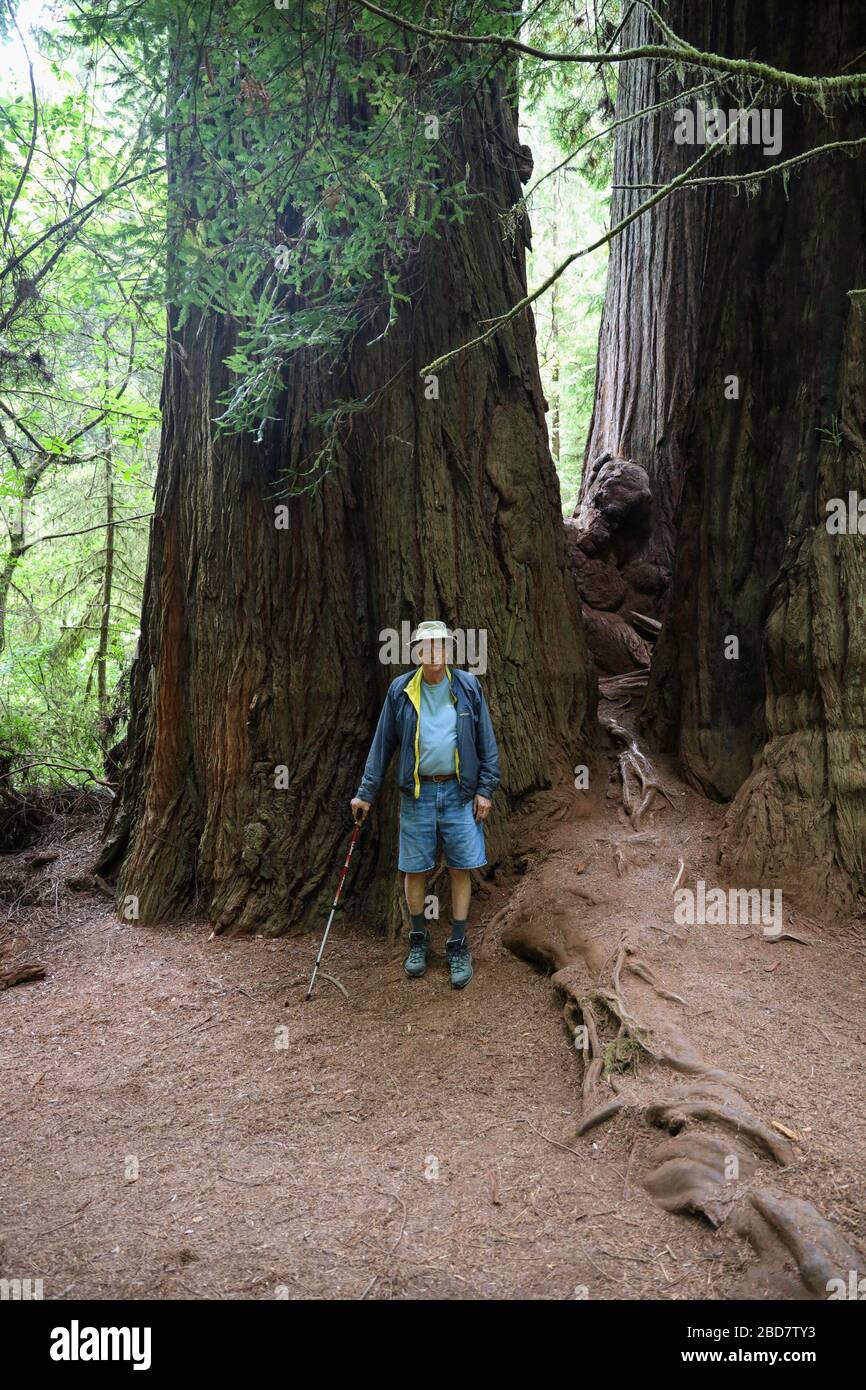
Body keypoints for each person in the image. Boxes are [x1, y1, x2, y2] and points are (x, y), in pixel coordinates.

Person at [351, 620, 500, 988]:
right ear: (417, 652)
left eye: (441, 645)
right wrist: (366, 793)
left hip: (459, 793)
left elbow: (487, 743)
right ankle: (418, 939)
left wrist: (485, 789)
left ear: (449, 650)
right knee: (414, 869)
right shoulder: (401, 690)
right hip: (417, 795)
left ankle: (458, 944)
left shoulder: (467, 687)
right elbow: (383, 743)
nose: (434, 652)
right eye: (426, 645)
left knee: (460, 867)